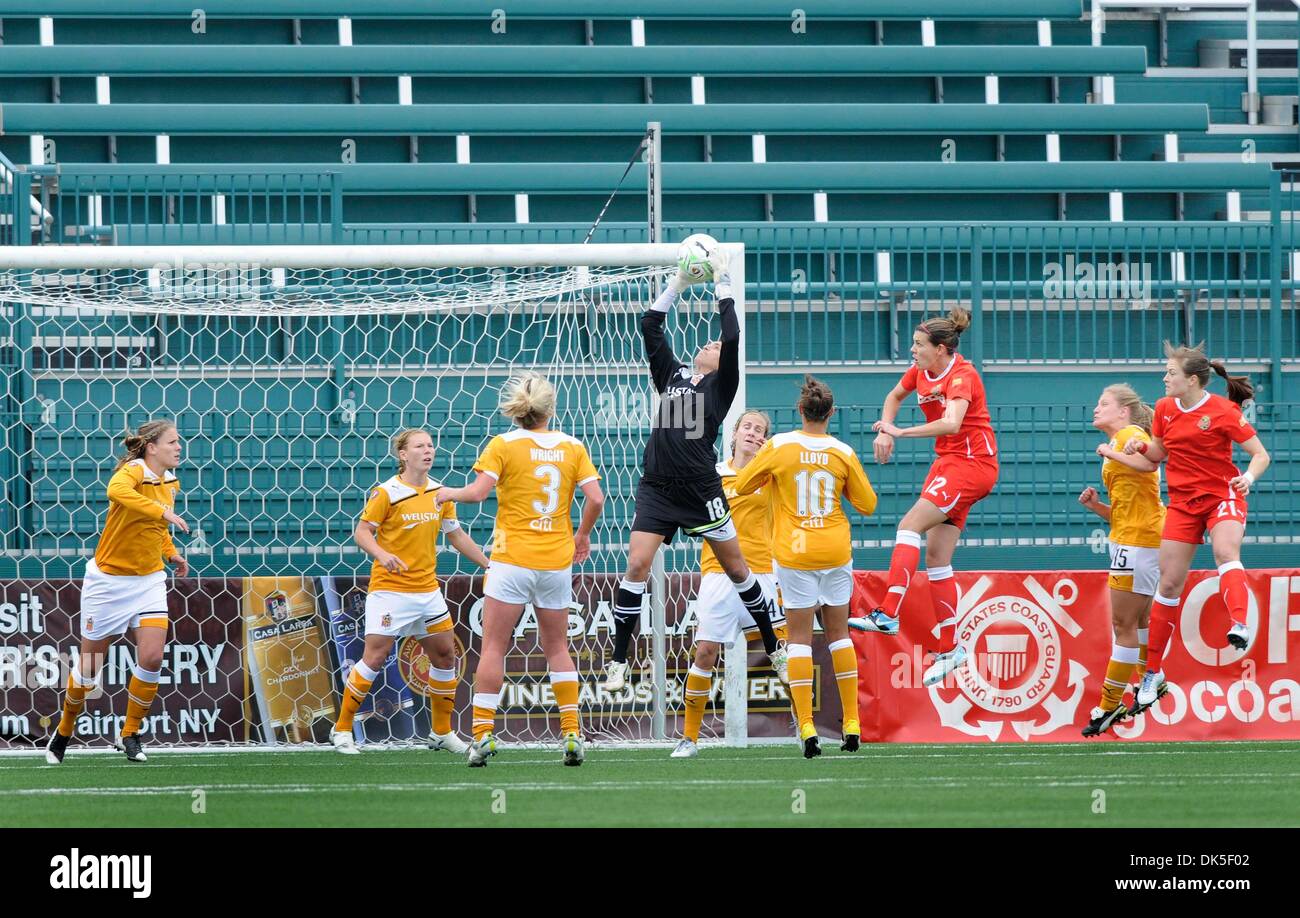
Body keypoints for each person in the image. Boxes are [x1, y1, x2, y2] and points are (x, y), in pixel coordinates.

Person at [603, 249, 786, 692]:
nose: (710, 344)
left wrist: (722, 286)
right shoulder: (672, 375)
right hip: (658, 488)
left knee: (738, 571)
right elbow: (650, 324)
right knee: (636, 565)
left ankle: (773, 645)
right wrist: (678, 284)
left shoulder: (722, 388)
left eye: (715, 346)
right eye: (709, 343)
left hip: (702, 488)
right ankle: (618, 661)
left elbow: (733, 336)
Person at [435, 373, 605, 767]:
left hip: (512, 560)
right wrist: (581, 535)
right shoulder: (572, 446)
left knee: (494, 646)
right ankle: (572, 734)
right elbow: (596, 497)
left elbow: (477, 494)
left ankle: (481, 737)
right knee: (557, 647)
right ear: (551, 409)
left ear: (518, 410)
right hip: (555, 561)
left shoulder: (503, 444)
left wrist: (447, 492)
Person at [848, 308, 999, 689]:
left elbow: (951, 423)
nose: (912, 350)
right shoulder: (920, 371)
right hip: (949, 463)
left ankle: (888, 611)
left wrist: (898, 432)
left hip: (971, 464)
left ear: (941, 349)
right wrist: (884, 428)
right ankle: (951, 647)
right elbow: (894, 394)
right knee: (936, 558)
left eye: (918, 345)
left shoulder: (962, 375)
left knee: (908, 526)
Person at [1118, 344, 1270, 714]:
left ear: (1192, 380)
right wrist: (1139, 446)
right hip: (1184, 504)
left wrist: (1247, 478)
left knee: (1225, 553)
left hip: (1222, 495)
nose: (1164, 377)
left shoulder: (1222, 411)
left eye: (1170, 372)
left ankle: (1240, 624)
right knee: (1168, 584)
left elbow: (1260, 454)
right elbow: (1157, 455)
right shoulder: (1165, 409)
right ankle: (1152, 674)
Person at [733, 377, 878, 758]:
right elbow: (867, 504)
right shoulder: (842, 451)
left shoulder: (779, 446)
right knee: (839, 635)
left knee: (797, 639)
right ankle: (851, 723)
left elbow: (744, 483)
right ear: (830, 414)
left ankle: (808, 727)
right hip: (833, 550)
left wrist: (771, 472)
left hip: (795, 553)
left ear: (800, 410)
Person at [330, 429, 489, 755]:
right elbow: (362, 532)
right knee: (375, 657)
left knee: (445, 655)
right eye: (420, 446)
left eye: (431, 445)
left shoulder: (440, 493)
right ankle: (343, 729)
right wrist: (382, 554)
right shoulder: (386, 493)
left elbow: (455, 535)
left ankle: (442, 732)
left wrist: (488, 564)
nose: (428, 451)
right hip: (390, 592)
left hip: (427, 591)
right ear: (403, 454)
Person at [46, 421, 189, 765]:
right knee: (90, 667)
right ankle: (64, 730)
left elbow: (155, 528)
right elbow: (116, 493)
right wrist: (163, 511)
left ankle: (131, 733)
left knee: (153, 657)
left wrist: (170, 553)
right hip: (108, 582)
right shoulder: (132, 472)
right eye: (173, 442)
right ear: (152, 447)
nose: (179, 447)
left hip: (149, 580)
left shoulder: (170, 482)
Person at [672, 409, 789, 759]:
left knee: (781, 652)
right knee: (705, 651)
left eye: (760, 430)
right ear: (735, 434)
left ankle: (806, 731)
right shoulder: (713, 474)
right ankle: (689, 739)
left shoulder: (771, 477)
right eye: (748, 427)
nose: (753, 433)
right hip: (717, 573)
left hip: (762, 575)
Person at [1079, 384, 1166, 736]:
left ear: (1124, 411)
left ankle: (1109, 704)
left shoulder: (1130, 435)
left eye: (1104, 404)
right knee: (1139, 621)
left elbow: (1150, 464)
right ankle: (1150, 678)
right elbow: (1126, 509)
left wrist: (1112, 454)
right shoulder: (1115, 446)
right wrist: (1097, 506)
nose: (1096, 408)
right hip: (1133, 538)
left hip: (1138, 542)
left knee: (1123, 626)